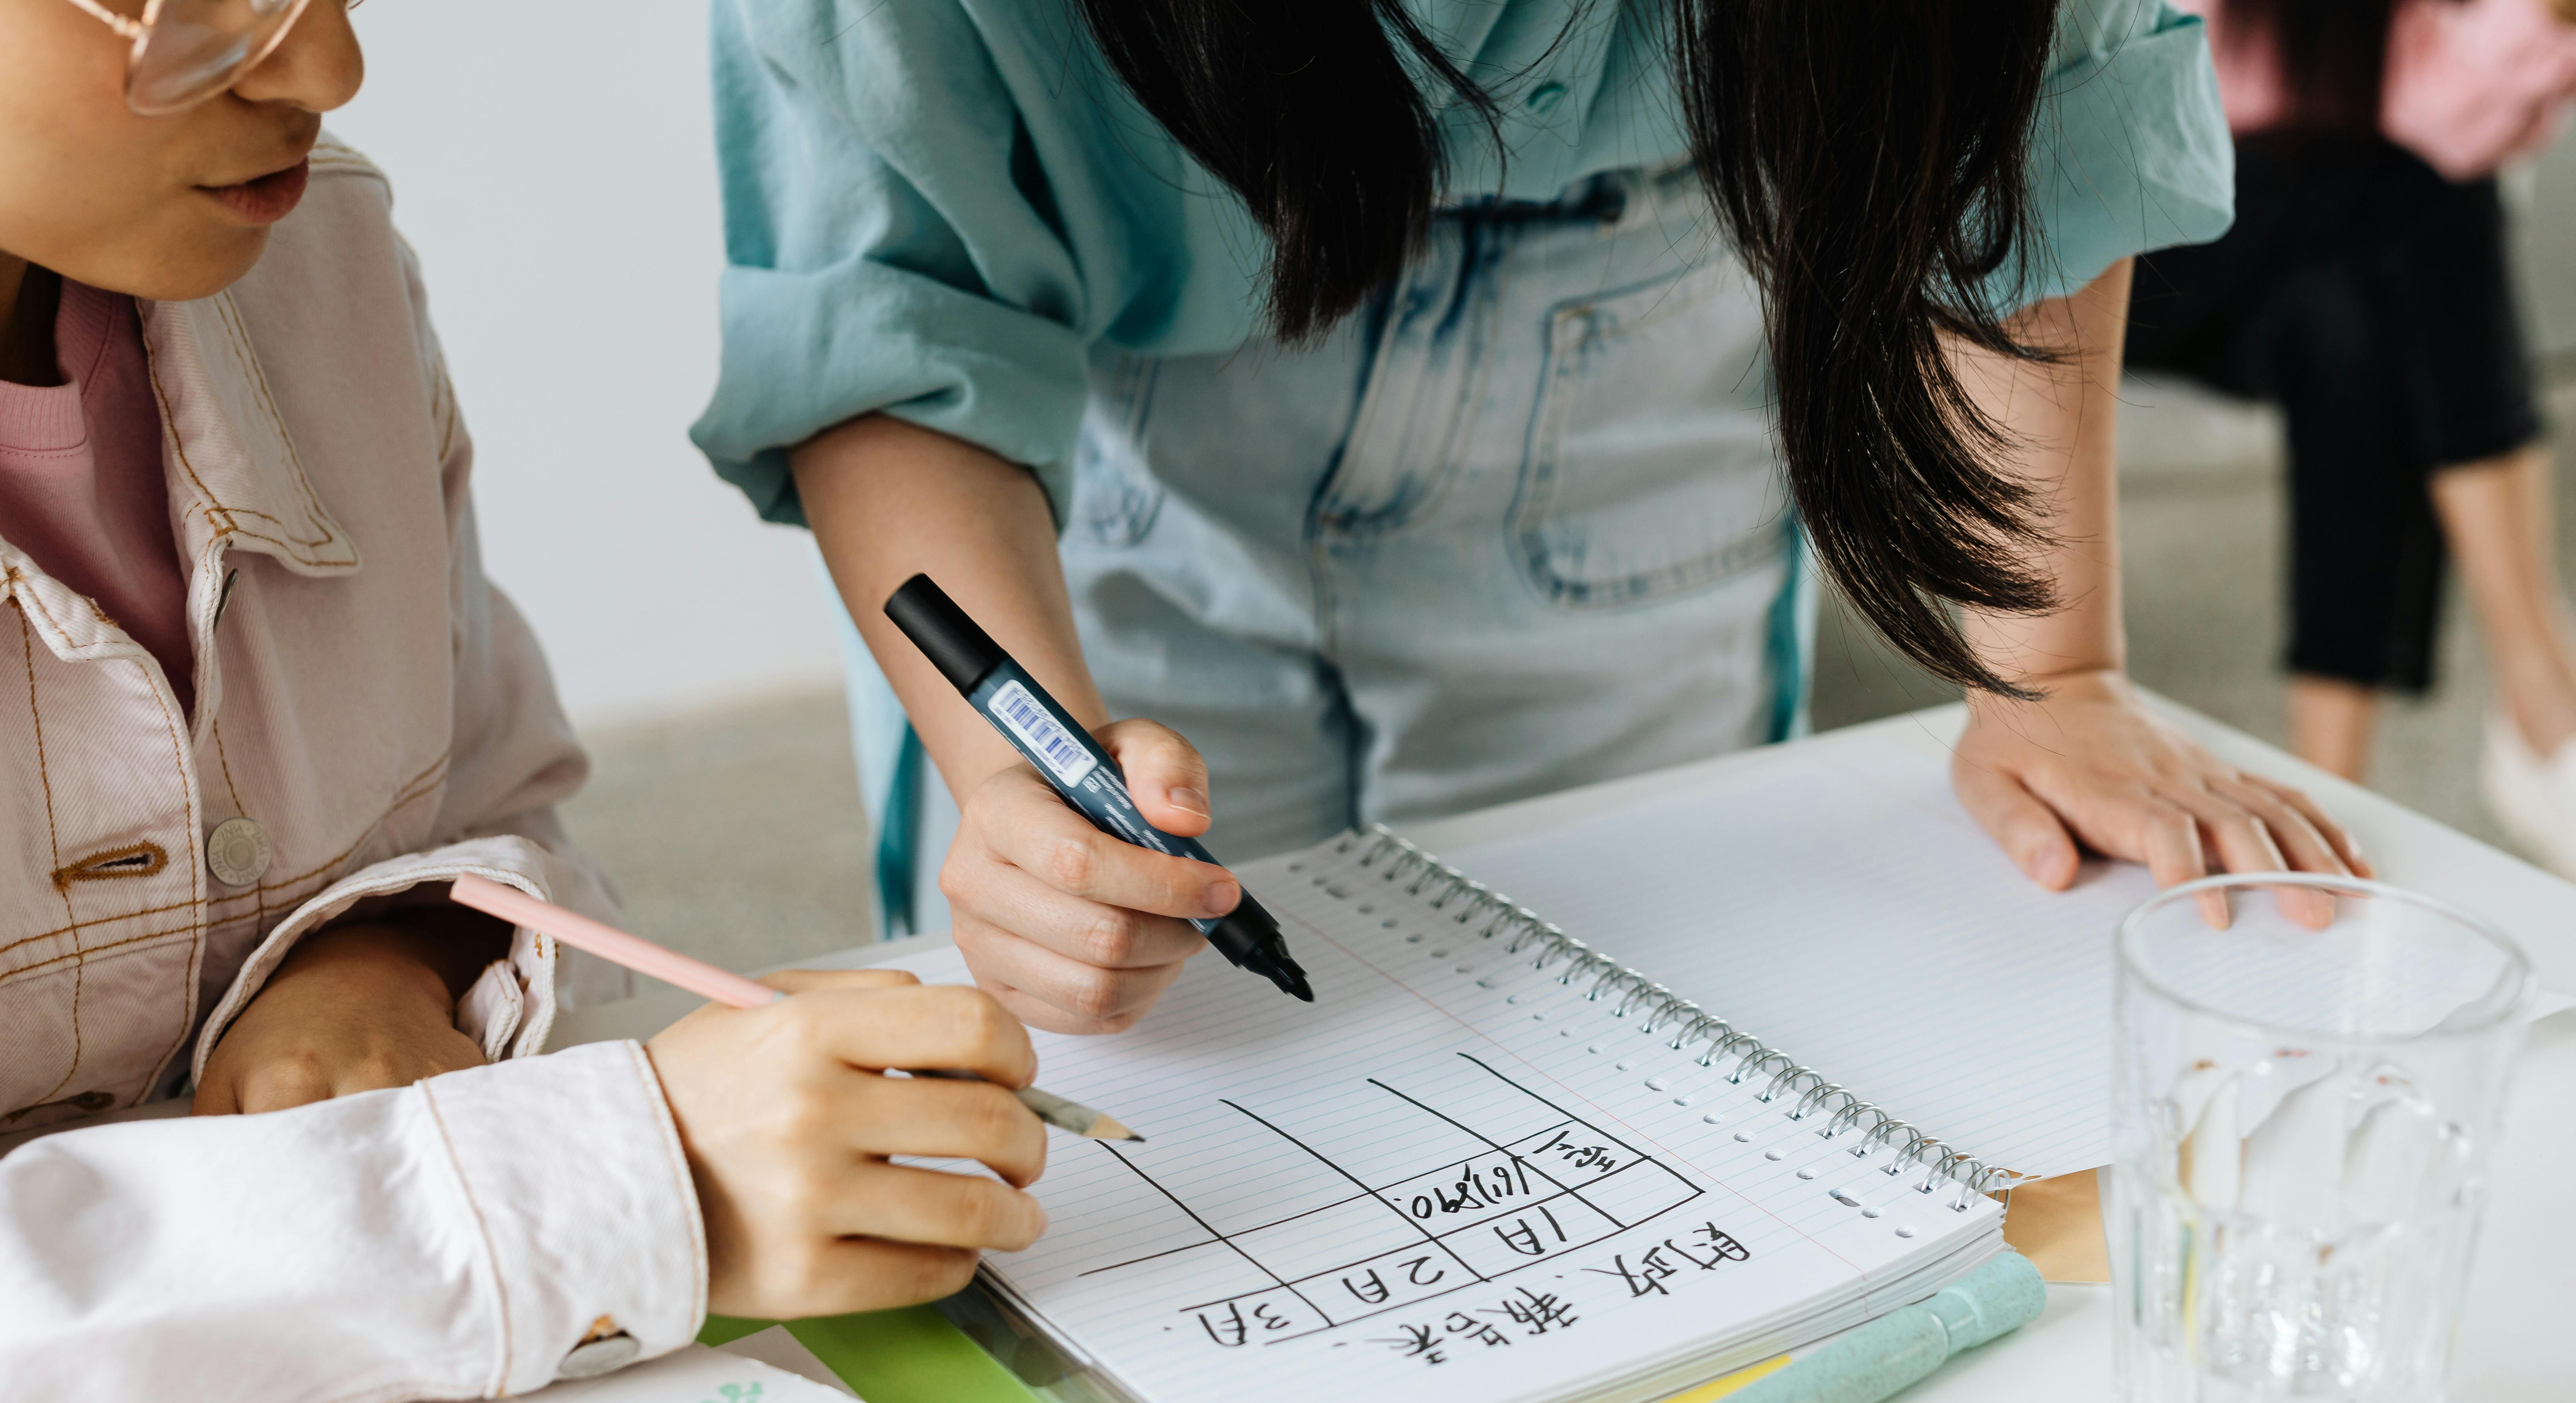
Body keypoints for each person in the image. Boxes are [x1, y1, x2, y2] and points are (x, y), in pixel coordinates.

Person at [694, 0, 2368, 1039]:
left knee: (1631, 1035)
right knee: (1132, 1016)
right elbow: (894, 313)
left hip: (1646, 358)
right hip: (1108, 446)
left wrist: (2051, 670)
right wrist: (1015, 773)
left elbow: (2011, 103)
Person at [0, 0, 1050, 1403]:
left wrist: (386, 950)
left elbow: (483, 791)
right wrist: (625, 1186)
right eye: (193, 4)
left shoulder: (314, 264)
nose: (326, 68)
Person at [2128, 0, 2576, 866]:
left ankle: (2329, 803)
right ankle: (2542, 688)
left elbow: (2441, 115)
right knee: (2412, 195)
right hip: (2108, 238)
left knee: (2350, 325)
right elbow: (2184, 110)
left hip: (2296, 244)